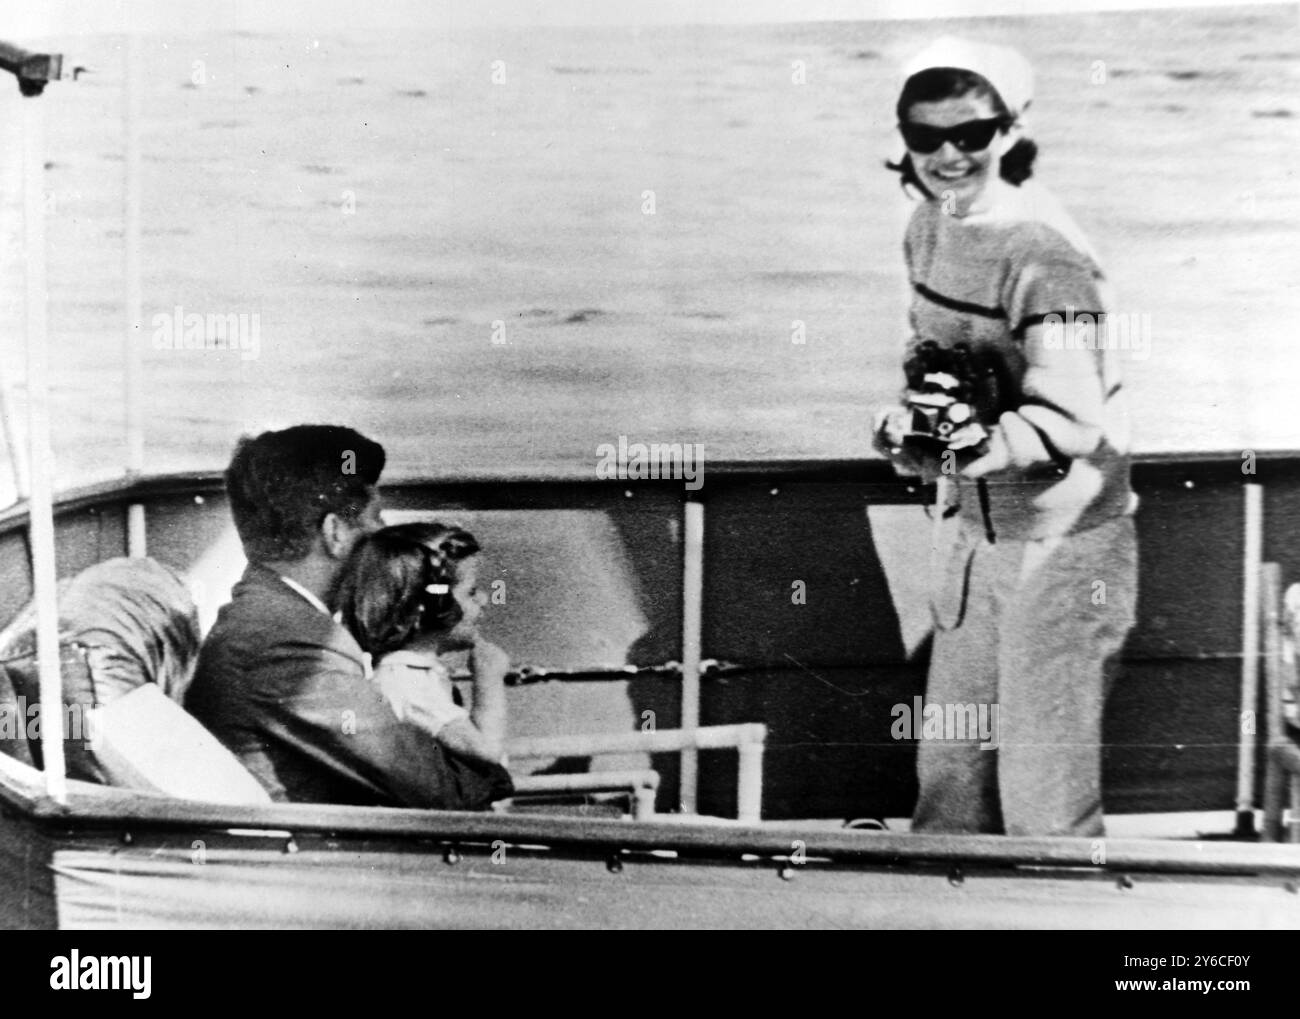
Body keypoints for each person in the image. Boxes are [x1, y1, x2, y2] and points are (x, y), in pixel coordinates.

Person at [874, 37, 1138, 837]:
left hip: (1057, 556)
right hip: (973, 536)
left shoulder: (1044, 256)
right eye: (925, 137)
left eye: (972, 134)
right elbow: (934, 361)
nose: (948, 156)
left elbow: (1069, 418)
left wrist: (984, 444)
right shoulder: (929, 225)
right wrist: (912, 428)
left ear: (1012, 130)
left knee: (1044, 797)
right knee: (949, 778)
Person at [184, 424, 513, 809]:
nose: (382, 532)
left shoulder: (264, 617)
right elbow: (442, 791)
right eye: (375, 517)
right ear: (335, 532)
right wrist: (497, 769)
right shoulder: (292, 644)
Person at [333, 522, 509, 770]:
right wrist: (489, 678)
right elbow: (487, 751)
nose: (484, 600)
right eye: (470, 592)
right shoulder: (407, 684)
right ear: (434, 604)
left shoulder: (418, 675)